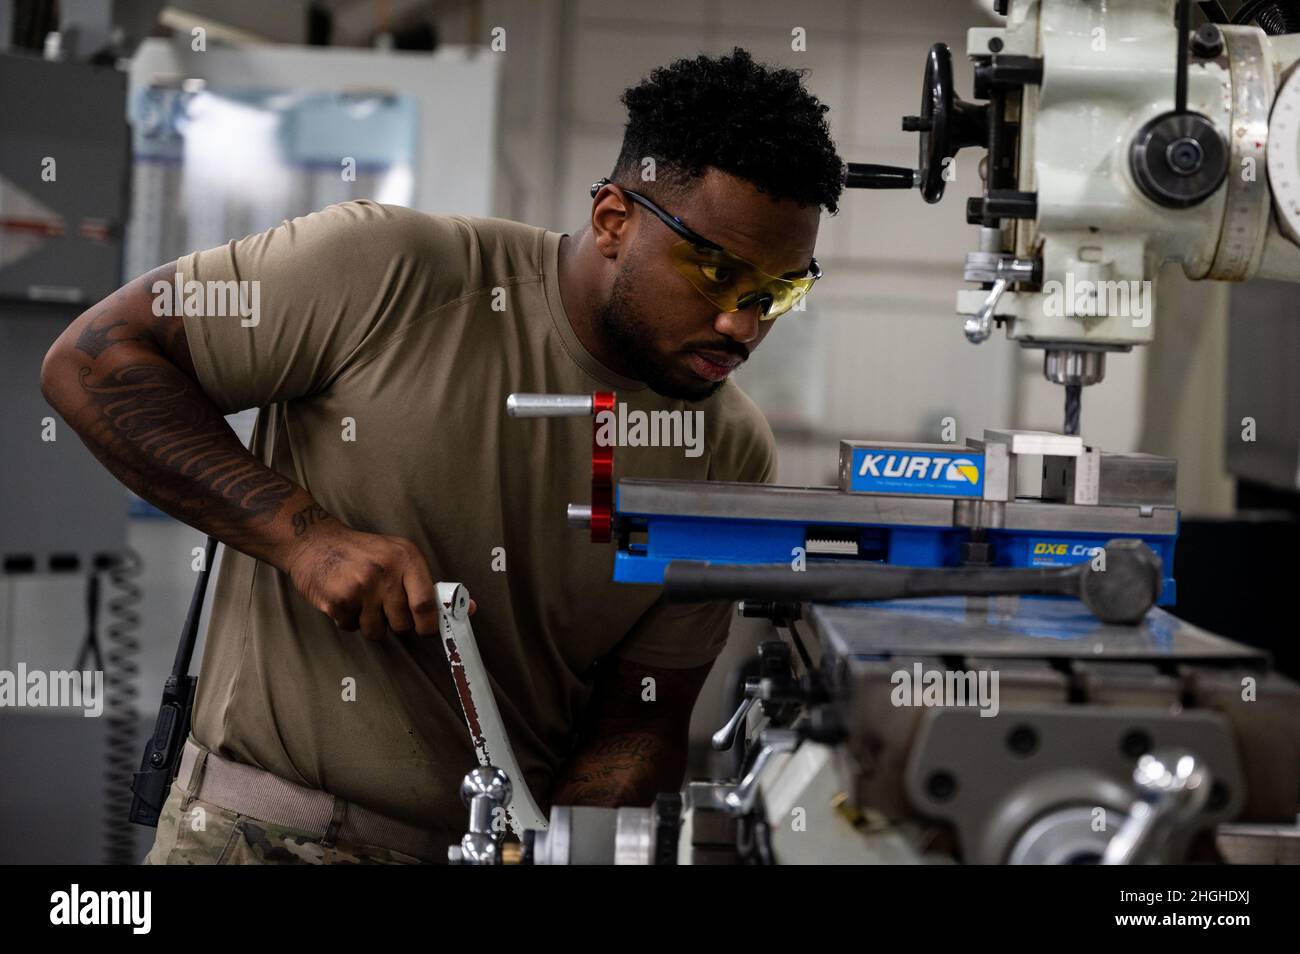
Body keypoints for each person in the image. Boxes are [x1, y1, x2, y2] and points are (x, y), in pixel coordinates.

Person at [40, 47, 844, 864]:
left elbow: (641, 715)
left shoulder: (730, 450)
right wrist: (304, 537)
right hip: (263, 837)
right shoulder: (390, 272)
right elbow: (92, 360)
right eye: (716, 272)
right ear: (613, 220)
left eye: (778, 293)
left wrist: (572, 843)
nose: (744, 325)